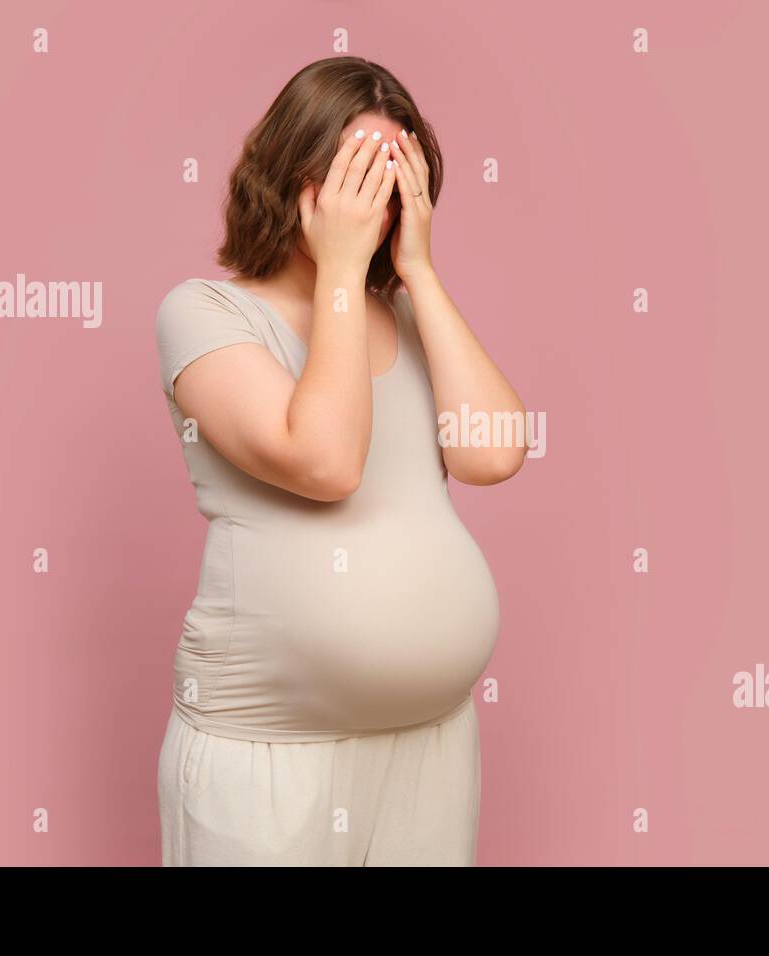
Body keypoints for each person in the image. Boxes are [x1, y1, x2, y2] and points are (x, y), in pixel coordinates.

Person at [153, 56, 526, 866]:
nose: (375, 199)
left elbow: (493, 453)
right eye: (354, 172)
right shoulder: (206, 313)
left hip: (428, 744)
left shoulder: (411, 314)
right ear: (293, 174)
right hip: (268, 757)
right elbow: (325, 462)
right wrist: (347, 272)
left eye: (394, 176)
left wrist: (418, 269)